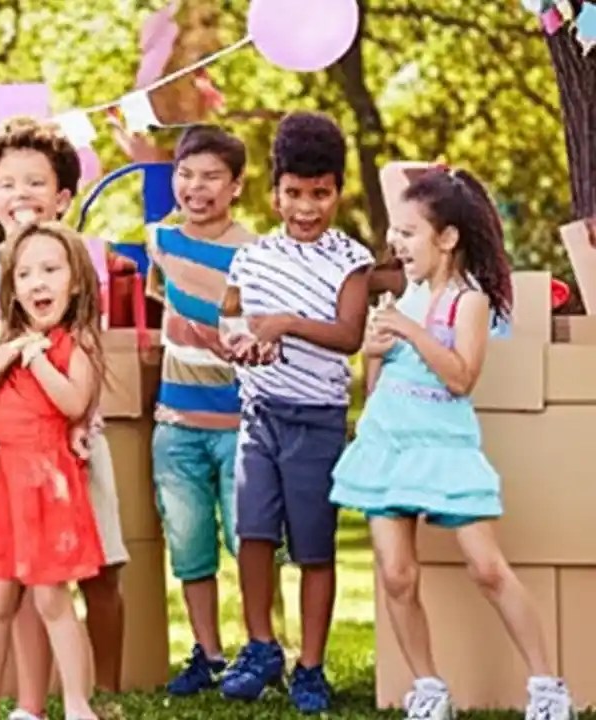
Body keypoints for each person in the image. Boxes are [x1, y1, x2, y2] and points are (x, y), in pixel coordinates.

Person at [331, 167, 575, 720]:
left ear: (447, 238)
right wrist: (374, 351)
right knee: (396, 573)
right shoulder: (404, 296)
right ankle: (428, 687)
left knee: (486, 567)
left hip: (444, 446)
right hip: (389, 442)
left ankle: (546, 686)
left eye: (409, 232)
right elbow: (378, 385)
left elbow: (462, 376)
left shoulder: (470, 302)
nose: (396, 242)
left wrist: (408, 331)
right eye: (396, 231)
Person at [0, 117, 129, 719]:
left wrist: (35, 361)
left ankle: (84, 699)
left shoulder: (74, 297)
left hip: (56, 470)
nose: (21, 194)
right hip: (2, 471)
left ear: (61, 197)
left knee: (67, 586)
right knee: (1, 594)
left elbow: (78, 398)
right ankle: (2, 704)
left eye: (36, 182)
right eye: (7, 182)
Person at [217, 111, 374, 713]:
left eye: (320, 194)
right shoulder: (253, 257)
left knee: (313, 546)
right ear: (275, 189)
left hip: (317, 419)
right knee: (252, 534)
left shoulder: (350, 258)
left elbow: (348, 334)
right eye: (294, 193)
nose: (306, 207)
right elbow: (229, 318)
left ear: (337, 189)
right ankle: (261, 647)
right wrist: (240, 341)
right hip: (260, 415)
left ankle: (311, 664)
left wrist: (285, 324)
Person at [138, 125, 256, 695]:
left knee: (251, 543)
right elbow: (159, 308)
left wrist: (214, 334)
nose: (196, 187)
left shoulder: (255, 251)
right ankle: (208, 653)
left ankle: (262, 651)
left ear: (237, 185)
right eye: (186, 174)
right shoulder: (161, 240)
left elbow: (255, 334)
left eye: (211, 177)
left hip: (239, 424)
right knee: (189, 548)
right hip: (175, 425)